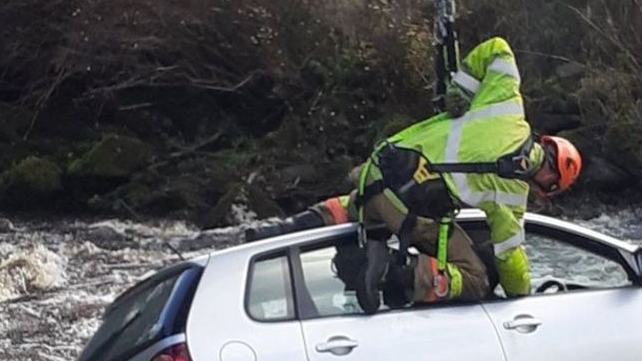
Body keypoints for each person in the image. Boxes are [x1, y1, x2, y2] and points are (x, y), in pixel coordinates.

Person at [245, 37, 582, 313]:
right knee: (476, 277)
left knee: (357, 203)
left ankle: (277, 231)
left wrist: (461, 91)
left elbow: (498, 48)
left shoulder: (507, 104)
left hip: (379, 168)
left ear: (547, 143)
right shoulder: (511, 199)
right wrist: (522, 300)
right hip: (407, 209)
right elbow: (511, 262)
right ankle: (395, 270)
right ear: (550, 183)